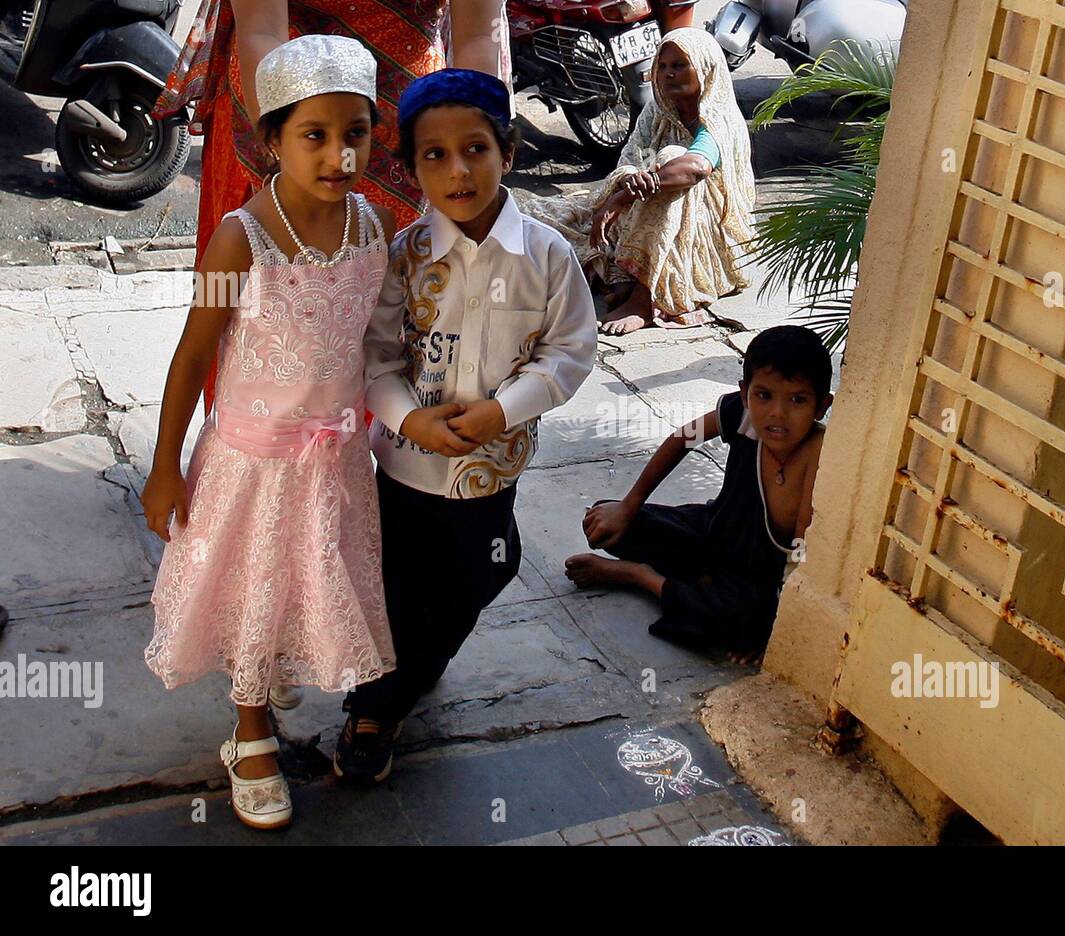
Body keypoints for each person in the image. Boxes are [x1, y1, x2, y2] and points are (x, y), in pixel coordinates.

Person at [141, 35, 398, 830]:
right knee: (251, 585)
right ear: (271, 141)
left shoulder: (372, 229)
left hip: (335, 460)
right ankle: (249, 731)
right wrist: (164, 467)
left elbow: (369, 340)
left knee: (306, 576)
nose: (338, 154)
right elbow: (192, 357)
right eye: (313, 135)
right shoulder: (238, 238)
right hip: (251, 462)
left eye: (353, 133)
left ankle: (274, 669)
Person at [334, 68, 597, 783]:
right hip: (406, 469)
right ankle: (375, 706)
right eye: (434, 155)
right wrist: (411, 418)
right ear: (413, 164)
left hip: (492, 472)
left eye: (475, 149)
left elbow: (572, 351)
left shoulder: (548, 256)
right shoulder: (404, 256)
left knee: (481, 571)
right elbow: (377, 357)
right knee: (398, 586)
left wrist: (502, 411)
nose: (458, 171)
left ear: (507, 151)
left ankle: (415, 664)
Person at [153, 0, 511, 409]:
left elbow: (478, 37)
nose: (336, 158)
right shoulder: (243, 232)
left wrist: (465, 161)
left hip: (402, 123)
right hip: (278, 109)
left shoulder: (384, 226)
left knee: (384, 321)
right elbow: (261, 31)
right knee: (255, 318)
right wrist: (287, 174)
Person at [564, 326, 833, 664]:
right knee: (605, 520)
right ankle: (695, 583)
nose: (777, 413)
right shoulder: (743, 415)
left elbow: (799, 556)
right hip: (713, 534)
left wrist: (774, 627)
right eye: (764, 395)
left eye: (797, 399)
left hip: (756, 577)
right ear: (745, 391)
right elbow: (684, 438)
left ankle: (638, 576)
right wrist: (629, 506)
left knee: (744, 622)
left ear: (822, 406)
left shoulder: (816, 453)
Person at [518, 28, 756, 335]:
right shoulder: (657, 112)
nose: (668, 74)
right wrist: (627, 186)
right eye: (663, 66)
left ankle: (644, 299)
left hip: (707, 236)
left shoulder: (719, 119)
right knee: (539, 217)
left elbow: (697, 167)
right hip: (647, 213)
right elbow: (629, 161)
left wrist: (630, 194)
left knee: (672, 161)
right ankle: (625, 279)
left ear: (706, 68)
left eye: (680, 65)